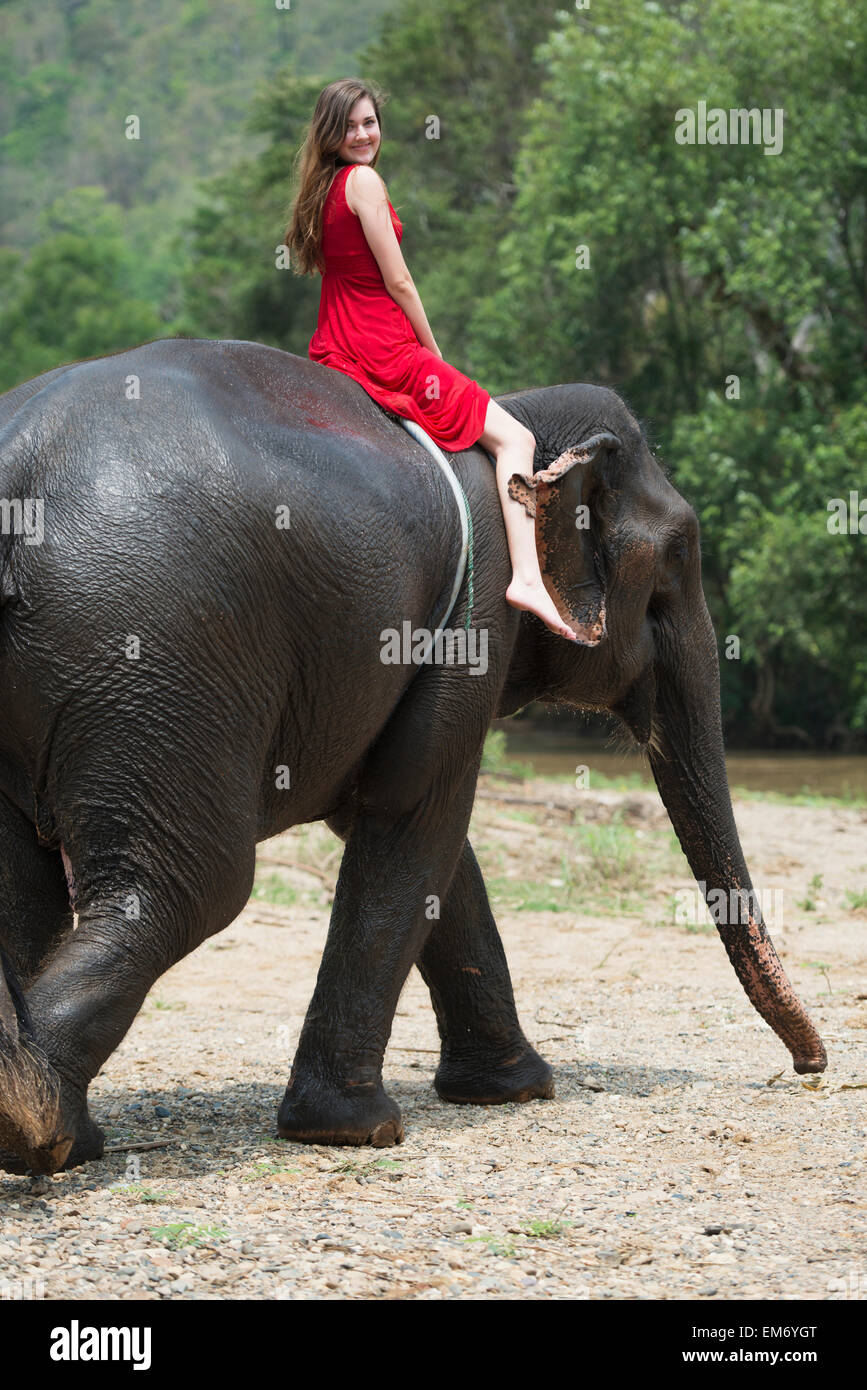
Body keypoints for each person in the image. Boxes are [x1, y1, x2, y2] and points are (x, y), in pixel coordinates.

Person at [284, 78, 578, 642]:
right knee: (516, 439)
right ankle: (526, 578)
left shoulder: (321, 190)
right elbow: (398, 279)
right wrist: (432, 354)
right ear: (331, 133)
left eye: (370, 122)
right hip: (384, 346)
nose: (365, 134)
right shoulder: (364, 181)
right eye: (351, 126)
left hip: (336, 344)